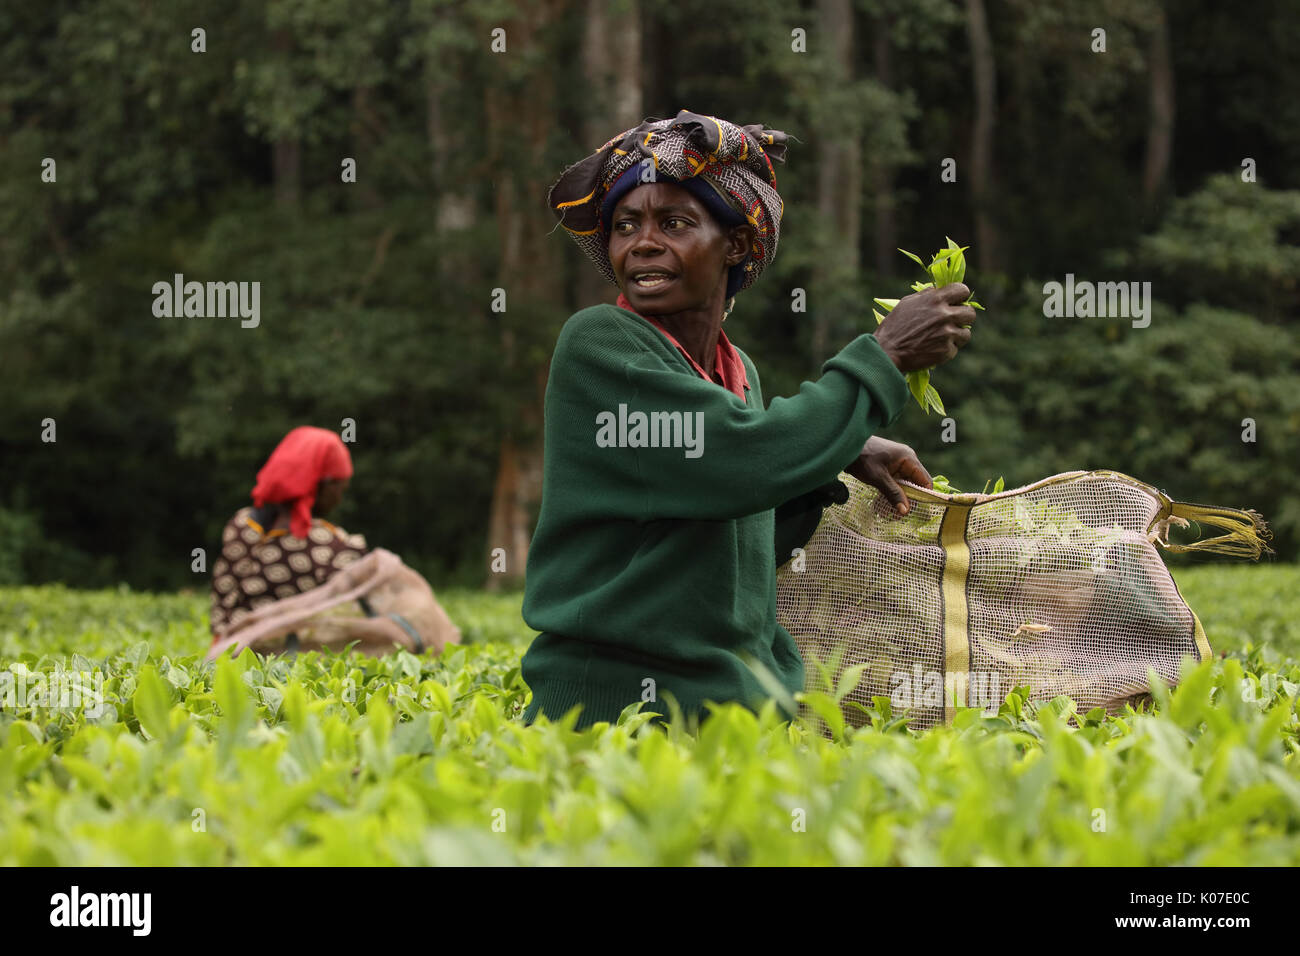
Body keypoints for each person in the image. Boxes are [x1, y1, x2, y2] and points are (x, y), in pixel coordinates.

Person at [521, 110, 976, 730]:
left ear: (735, 244)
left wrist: (825, 463)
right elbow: (739, 461)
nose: (642, 243)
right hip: (615, 710)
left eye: (675, 223)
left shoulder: (740, 373)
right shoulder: (600, 343)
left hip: (741, 712)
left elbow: (732, 514)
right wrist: (884, 357)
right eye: (625, 226)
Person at [209, 425, 427, 653]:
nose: (339, 498)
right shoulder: (334, 545)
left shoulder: (240, 525)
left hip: (226, 658)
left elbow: (222, 602)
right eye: (340, 488)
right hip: (289, 669)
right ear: (322, 484)